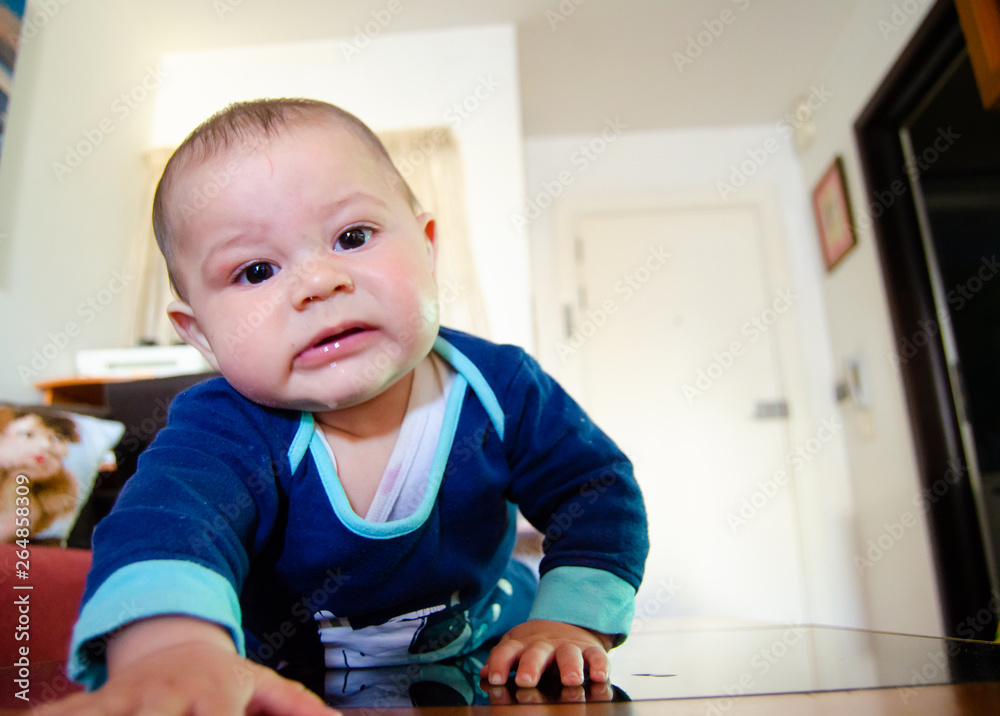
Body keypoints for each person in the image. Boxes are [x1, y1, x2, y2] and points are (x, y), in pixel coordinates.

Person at [43, 98, 648, 715]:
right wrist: (172, 652)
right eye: (256, 271)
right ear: (198, 333)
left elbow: (593, 487)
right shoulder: (223, 428)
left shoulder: (500, 388)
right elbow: (168, 524)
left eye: (352, 237)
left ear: (427, 246)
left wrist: (570, 623)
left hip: (480, 654)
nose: (319, 282)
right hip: (283, 681)